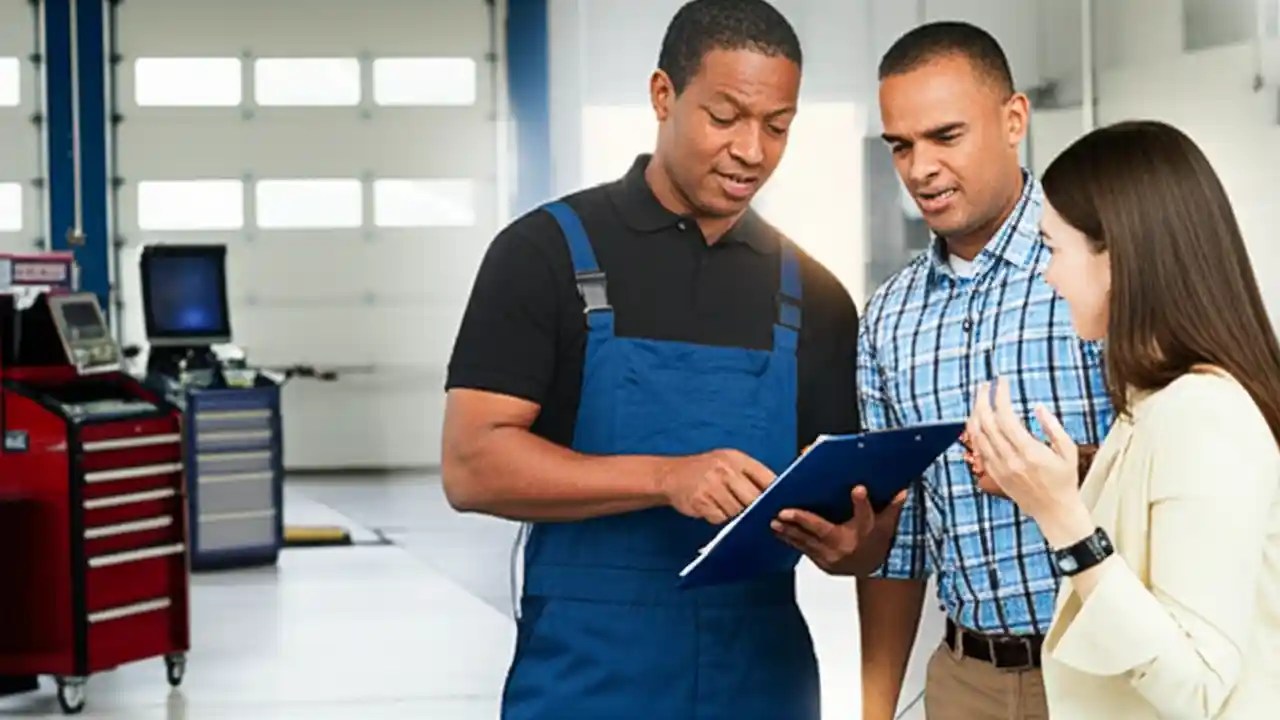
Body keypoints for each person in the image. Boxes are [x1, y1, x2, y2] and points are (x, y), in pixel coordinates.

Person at [441, 1, 898, 717]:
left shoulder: (814, 296)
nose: (752, 150)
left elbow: (850, 528)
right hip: (589, 682)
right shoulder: (543, 254)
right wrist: (665, 478)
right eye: (725, 117)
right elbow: (472, 467)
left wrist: (854, 545)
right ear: (663, 95)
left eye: (777, 127)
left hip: (762, 683)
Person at [775, 21, 1115, 720]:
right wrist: (875, 710)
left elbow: (1180, 464)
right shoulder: (889, 319)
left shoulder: (1100, 268)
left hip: (1108, 673)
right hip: (966, 683)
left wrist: (1060, 470)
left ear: (1013, 119)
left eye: (945, 137)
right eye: (901, 145)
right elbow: (902, 551)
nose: (919, 168)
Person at [968, 120, 1280, 719]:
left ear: (1116, 254)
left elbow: (1197, 687)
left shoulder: (1205, 412)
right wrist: (1066, 479)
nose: (1047, 275)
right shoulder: (1161, 403)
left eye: (1055, 249)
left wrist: (1062, 517)